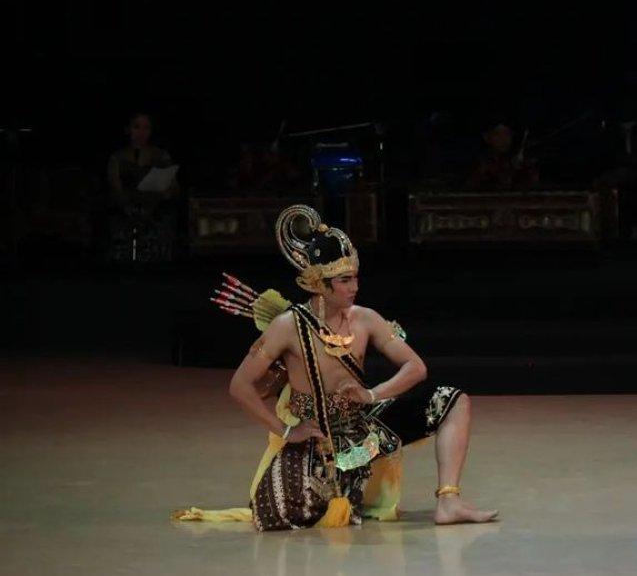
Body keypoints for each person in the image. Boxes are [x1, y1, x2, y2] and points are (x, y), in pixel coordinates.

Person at [174, 205, 497, 529]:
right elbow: (240, 385)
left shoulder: (366, 318)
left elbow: (416, 367)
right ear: (318, 284)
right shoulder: (288, 326)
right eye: (344, 280)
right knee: (277, 513)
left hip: (363, 423)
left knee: (453, 400)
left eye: (355, 277)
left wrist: (371, 395)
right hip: (317, 434)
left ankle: (449, 501)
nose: (354, 287)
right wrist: (286, 430)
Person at [106, 112, 177, 261]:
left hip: (155, 208)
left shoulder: (160, 155)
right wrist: (127, 206)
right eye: (137, 127)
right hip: (125, 209)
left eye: (146, 128)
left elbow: (172, 185)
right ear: (128, 130)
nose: (141, 133)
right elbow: (115, 187)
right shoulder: (117, 157)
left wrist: (159, 197)